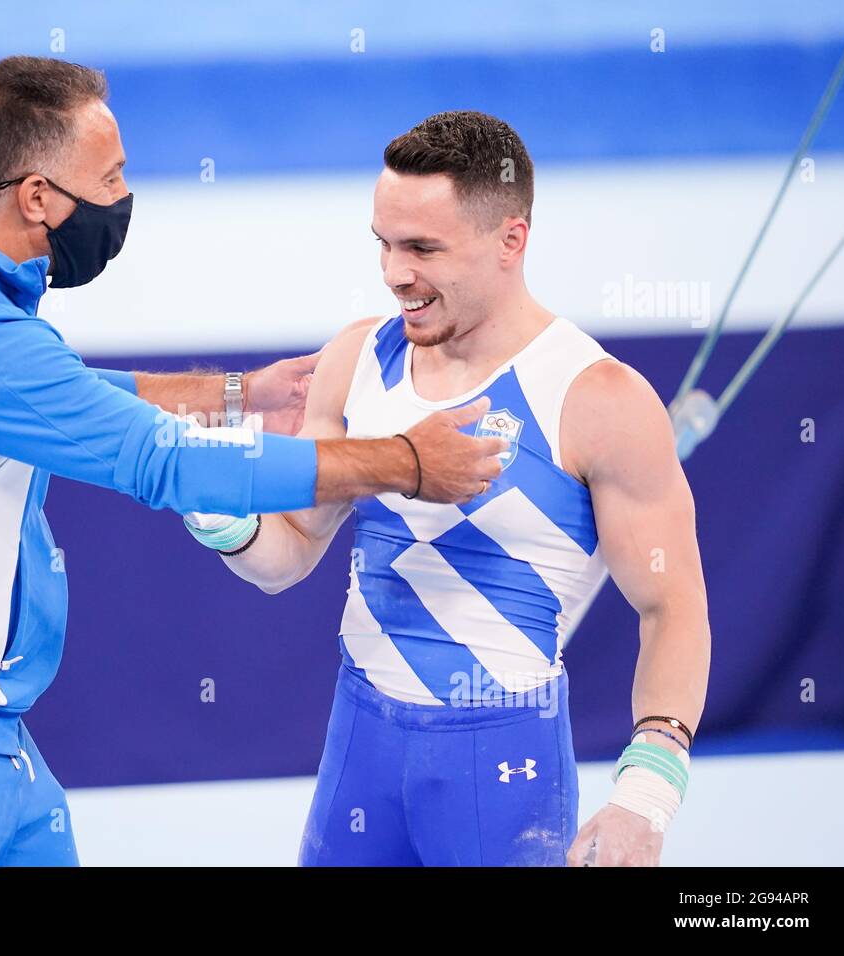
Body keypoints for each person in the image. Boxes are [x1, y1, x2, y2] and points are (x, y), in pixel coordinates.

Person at [0, 59, 506, 866]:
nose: (123, 198)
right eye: (112, 178)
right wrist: (403, 461)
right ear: (37, 197)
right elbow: (163, 463)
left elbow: (54, 393)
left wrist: (237, 393)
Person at [184, 111, 711, 866]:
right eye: (385, 244)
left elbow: (675, 607)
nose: (396, 273)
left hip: (502, 761)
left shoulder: (598, 401)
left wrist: (647, 794)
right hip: (359, 741)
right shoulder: (357, 358)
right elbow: (290, 553)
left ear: (511, 241)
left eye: (424, 248)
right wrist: (218, 512)